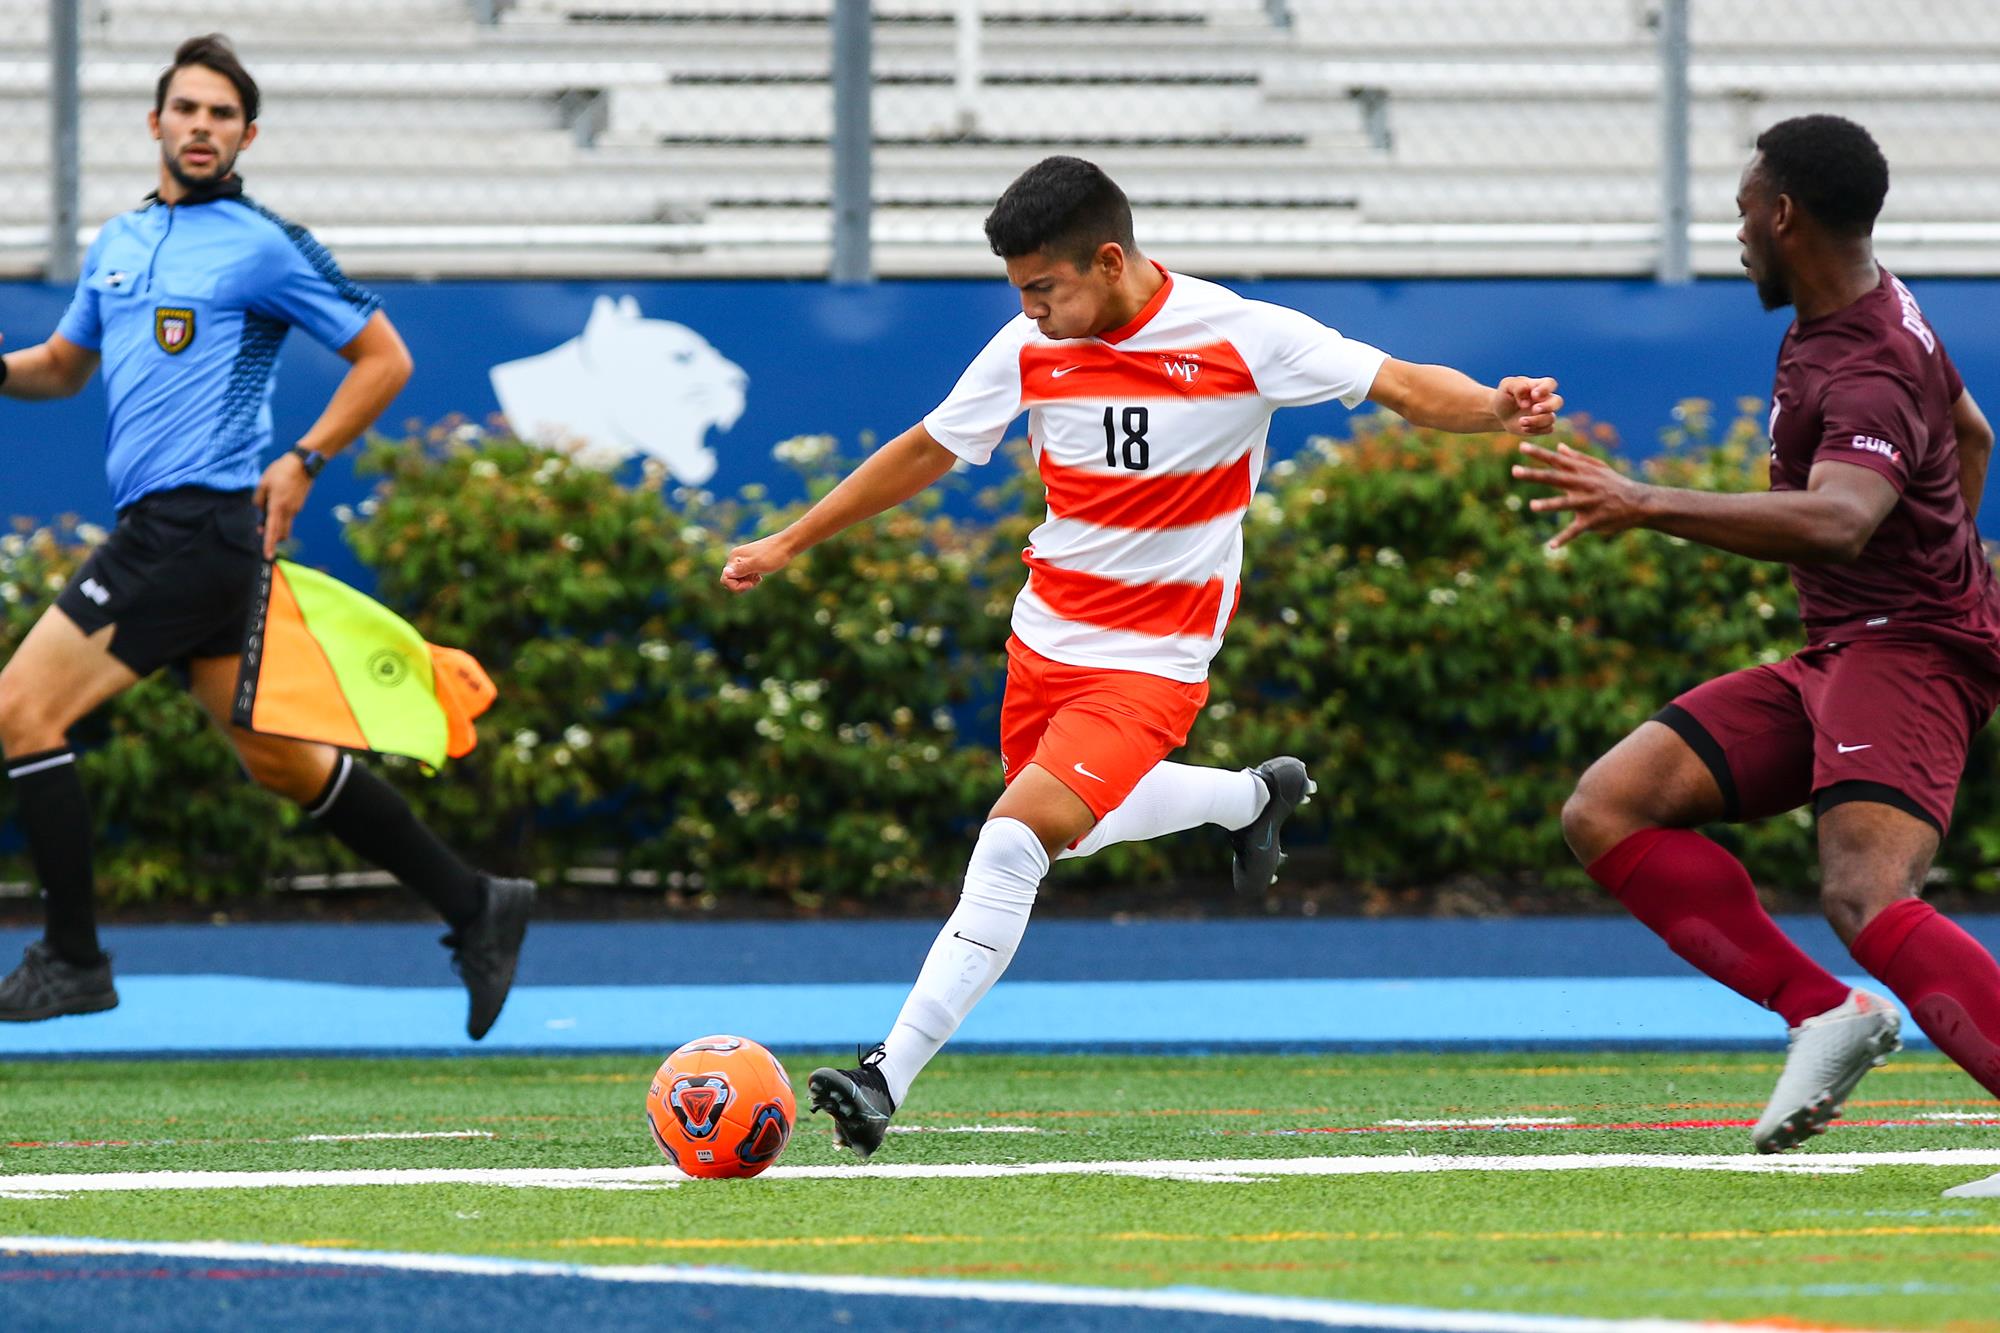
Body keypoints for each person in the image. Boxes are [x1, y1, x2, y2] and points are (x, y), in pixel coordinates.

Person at [722, 155, 1561, 1156]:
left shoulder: (1240, 336)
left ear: (1108, 259)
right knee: (1067, 834)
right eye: (1019, 292)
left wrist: (1493, 408)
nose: (1029, 311)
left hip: (1152, 661)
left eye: (1043, 288)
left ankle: (881, 1076)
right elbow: (929, 447)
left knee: (1013, 840)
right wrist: (787, 540)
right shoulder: (1028, 346)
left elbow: (1398, 385)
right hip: (1042, 640)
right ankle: (1253, 799)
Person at [0, 35, 534, 1037]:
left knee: (22, 711)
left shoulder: (260, 243)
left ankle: (72, 957)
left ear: (247, 134)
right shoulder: (116, 241)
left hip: (194, 527)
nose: (200, 127)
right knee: (278, 760)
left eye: (220, 114)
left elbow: (382, 358)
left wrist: (304, 458)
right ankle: (476, 903)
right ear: (154, 123)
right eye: (185, 109)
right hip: (178, 535)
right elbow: (64, 366)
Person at [1516, 114, 2000, 1153]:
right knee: (1609, 807)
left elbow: (1838, 519)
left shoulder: (1863, 359)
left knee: (1863, 890)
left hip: (1903, 650)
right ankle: (1826, 1011)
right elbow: (1970, 432)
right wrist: (1951, 569)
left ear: (1782, 216)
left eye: (1742, 211)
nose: (1735, 234)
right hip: (1849, 647)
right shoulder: (1872, 310)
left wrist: (1642, 500)